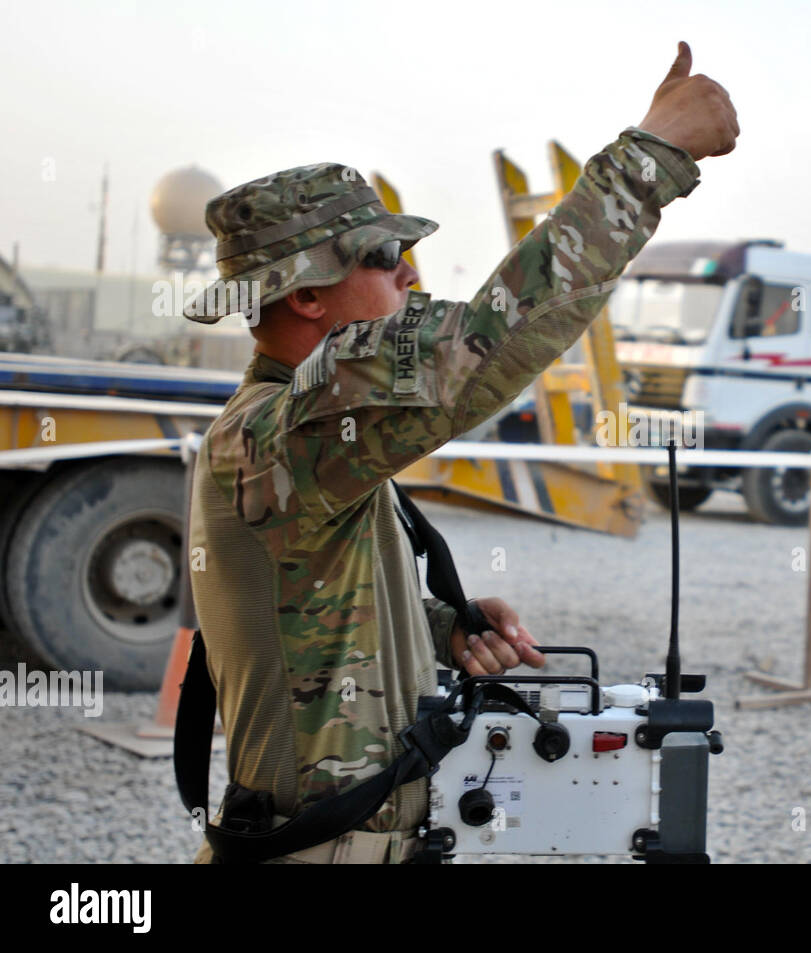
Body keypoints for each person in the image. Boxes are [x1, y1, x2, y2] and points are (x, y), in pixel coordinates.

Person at [183, 40, 738, 863]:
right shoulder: (283, 430)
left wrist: (438, 623)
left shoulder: (299, 437)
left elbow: (305, 604)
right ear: (304, 294)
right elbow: (486, 343)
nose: (410, 273)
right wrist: (650, 156)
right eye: (382, 257)